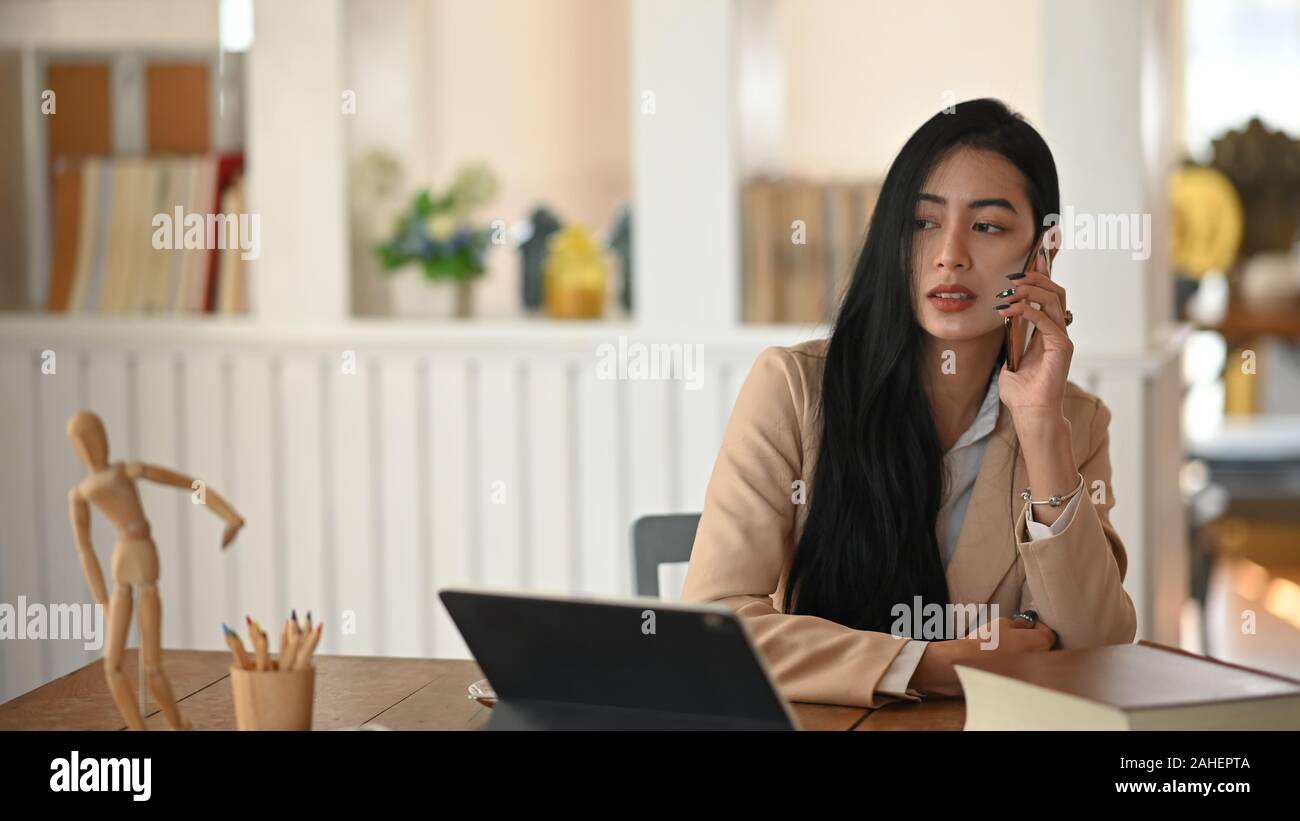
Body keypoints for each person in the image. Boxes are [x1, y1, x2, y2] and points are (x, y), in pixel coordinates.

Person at [681, 98, 1137, 708]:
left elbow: (1097, 650)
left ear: (1042, 254)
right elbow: (717, 628)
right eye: (923, 223)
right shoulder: (792, 387)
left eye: (988, 226)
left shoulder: (1073, 421)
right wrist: (933, 664)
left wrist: (1039, 425)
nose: (950, 254)